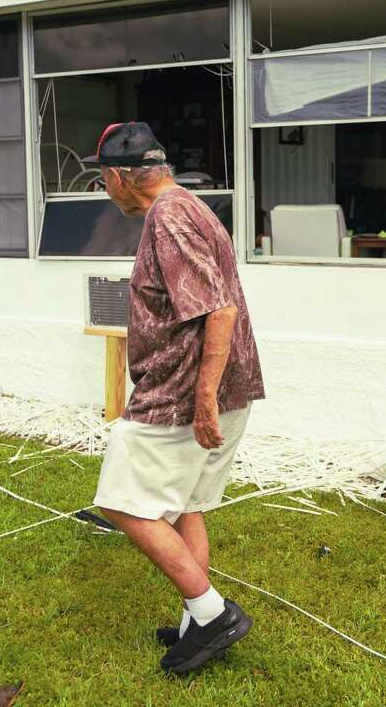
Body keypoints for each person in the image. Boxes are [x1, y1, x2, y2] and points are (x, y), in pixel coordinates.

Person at [90, 122, 266, 674]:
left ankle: (212, 614)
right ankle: (196, 624)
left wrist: (203, 399)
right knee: (186, 502)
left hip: (181, 393)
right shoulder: (191, 204)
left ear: (119, 177)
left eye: (102, 181)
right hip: (224, 383)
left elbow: (219, 308)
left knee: (120, 501)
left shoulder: (168, 218)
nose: (105, 190)